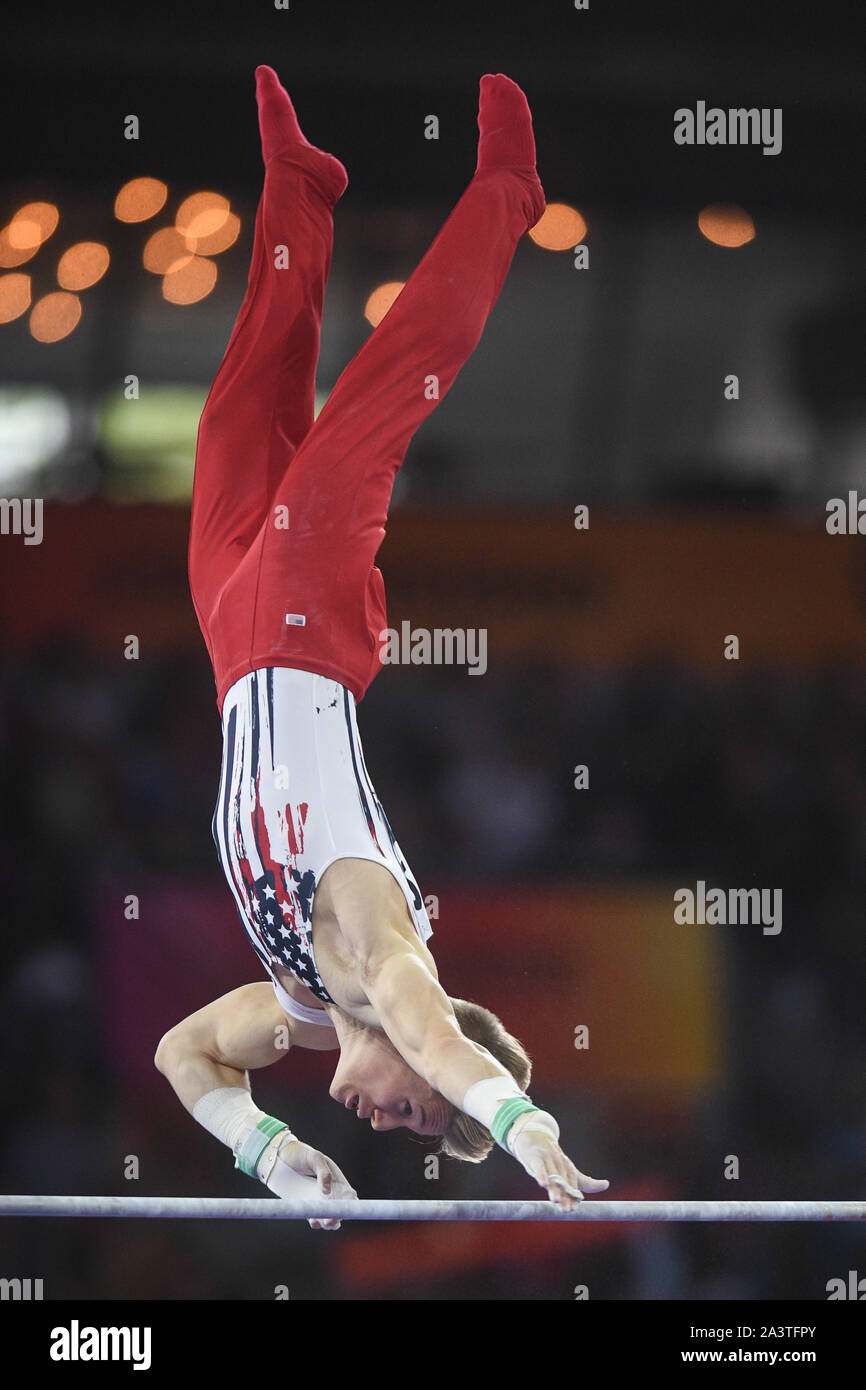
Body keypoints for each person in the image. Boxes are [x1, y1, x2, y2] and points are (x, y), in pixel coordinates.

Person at [155, 65, 609, 1229]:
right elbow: (416, 1021)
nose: (383, 1123)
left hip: (228, 639)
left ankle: (300, 191)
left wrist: (267, 1151)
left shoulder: (300, 1011)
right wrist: (524, 1125)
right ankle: (508, 189)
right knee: (379, 391)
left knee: (240, 405)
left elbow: (181, 1055)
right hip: (306, 626)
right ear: (439, 1047)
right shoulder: (381, 945)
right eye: (417, 1113)